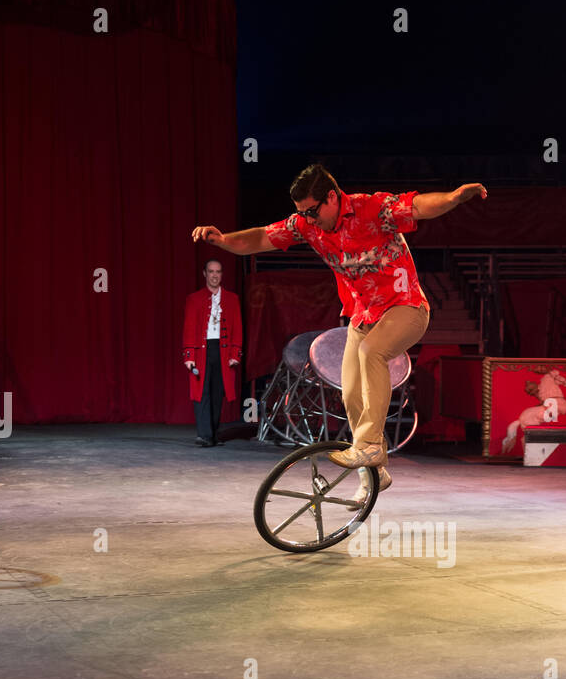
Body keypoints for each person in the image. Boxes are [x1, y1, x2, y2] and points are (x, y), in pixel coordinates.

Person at [192, 164, 487, 488]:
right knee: (350, 392)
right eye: (302, 212)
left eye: (313, 211)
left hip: (406, 307)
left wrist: (454, 197)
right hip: (364, 316)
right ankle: (374, 474)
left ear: (332, 197)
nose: (308, 218)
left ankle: (371, 447)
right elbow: (263, 236)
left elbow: (418, 206)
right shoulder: (307, 225)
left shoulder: (372, 208)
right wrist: (223, 240)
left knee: (371, 352)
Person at [182, 259, 242, 446]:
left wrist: (235, 353)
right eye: (211, 271)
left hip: (222, 351)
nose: (215, 275)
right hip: (202, 350)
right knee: (201, 392)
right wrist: (189, 356)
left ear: (221, 274)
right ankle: (204, 435)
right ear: (205, 274)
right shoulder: (194, 299)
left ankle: (213, 433)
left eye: (218, 271)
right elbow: (189, 328)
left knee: (218, 393)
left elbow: (238, 329)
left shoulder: (232, 299)